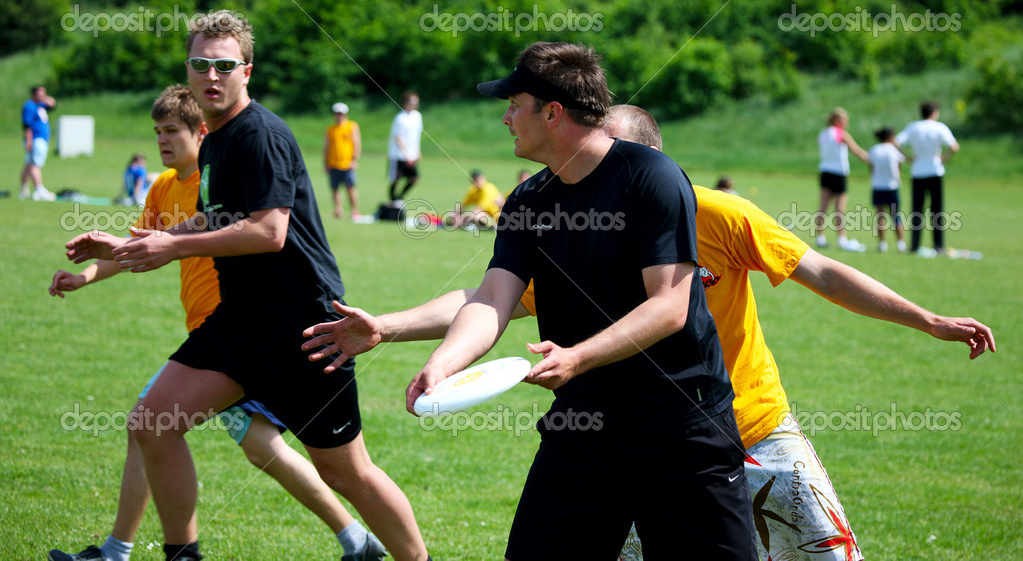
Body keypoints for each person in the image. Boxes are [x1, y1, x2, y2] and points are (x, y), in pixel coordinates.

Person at [304, 104, 995, 561]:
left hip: (754, 427)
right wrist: (387, 326)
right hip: (640, 444)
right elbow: (491, 299)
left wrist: (927, 319)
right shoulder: (579, 228)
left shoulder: (719, 214)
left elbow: (823, 272)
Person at [63, 11, 430, 561]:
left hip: (304, 328)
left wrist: (173, 247)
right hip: (241, 321)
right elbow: (216, 217)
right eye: (200, 64)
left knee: (345, 471)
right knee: (153, 423)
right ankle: (182, 556)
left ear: (247, 71)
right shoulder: (215, 140)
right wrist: (133, 244)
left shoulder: (259, 133)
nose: (211, 75)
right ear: (188, 69)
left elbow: (268, 231)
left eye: (225, 66)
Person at [381, 42, 757, 559]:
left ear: (552, 113)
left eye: (515, 105)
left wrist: (577, 357)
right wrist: (445, 363)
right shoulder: (528, 201)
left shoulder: (651, 177)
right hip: (583, 426)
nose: (506, 118)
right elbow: (493, 297)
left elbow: (669, 306)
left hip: (681, 428)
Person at [896, 102, 960, 257]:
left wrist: (908, 157)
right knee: (936, 210)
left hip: (918, 171)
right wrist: (943, 158)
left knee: (917, 210)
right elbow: (954, 147)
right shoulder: (939, 127)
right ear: (934, 112)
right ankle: (938, 245)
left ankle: (915, 245)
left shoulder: (913, 127)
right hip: (935, 170)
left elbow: (896, 142)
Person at [815, 108, 869, 252]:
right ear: (836, 120)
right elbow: (856, 150)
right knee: (840, 208)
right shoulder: (841, 133)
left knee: (823, 206)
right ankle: (842, 239)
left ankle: (819, 237)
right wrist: (871, 159)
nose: (846, 122)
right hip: (838, 173)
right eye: (843, 119)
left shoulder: (823, 133)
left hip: (825, 171)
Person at [868, 127, 907, 253]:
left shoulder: (874, 150)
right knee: (896, 215)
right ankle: (901, 243)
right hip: (892, 186)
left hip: (878, 186)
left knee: (880, 215)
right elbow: (899, 166)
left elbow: (871, 168)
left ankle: (882, 243)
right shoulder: (894, 150)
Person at [324, 101, 361, 219]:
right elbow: (327, 146)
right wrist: (326, 162)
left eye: (341, 114)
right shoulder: (330, 129)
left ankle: (354, 210)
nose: (339, 116)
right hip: (333, 163)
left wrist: (354, 159)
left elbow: (356, 143)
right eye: (337, 114)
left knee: (350, 187)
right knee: (335, 188)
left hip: (347, 164)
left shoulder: (352, 126)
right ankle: (338, 209)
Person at [20, 85, 57, 201]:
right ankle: (39, 189)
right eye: (39, 93)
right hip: (35, 139)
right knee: (35, 165)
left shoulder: (40, 105)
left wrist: (44, 98)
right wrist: (29, 140)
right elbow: (27, 125)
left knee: (29, 164)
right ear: (33, 94)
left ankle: (24, 190)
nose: (42, 96)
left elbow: (53, 104)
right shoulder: (29, 106)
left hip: (41, 139)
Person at [387, 90, 423, 202]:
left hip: (412, 155)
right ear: (405, 103)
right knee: (396, 179)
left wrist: (417, 151)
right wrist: (406, 154)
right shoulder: (400, 118)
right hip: (398, 155)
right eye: (412, 102)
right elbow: (398, 137)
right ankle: (393, 201)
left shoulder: (417, 116)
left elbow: (416, 136)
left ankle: (399, 198)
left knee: (414, 178)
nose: (415, 105)